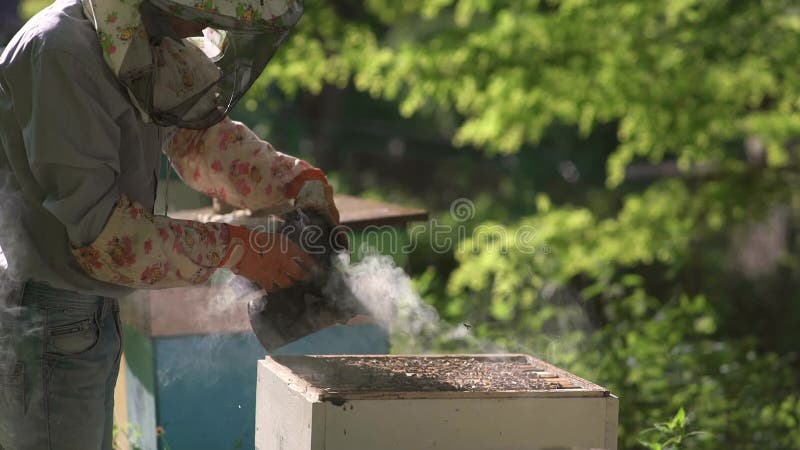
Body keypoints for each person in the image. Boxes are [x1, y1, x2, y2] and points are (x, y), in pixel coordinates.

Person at [0, 0, 340, 448]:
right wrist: (240, 249)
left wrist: (291, 179)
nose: (207, 24)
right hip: (46, 313)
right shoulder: (63, 53)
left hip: (84, 311)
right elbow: (104, 237)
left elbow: (199, 137)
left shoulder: (142, 39)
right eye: (206, 11)